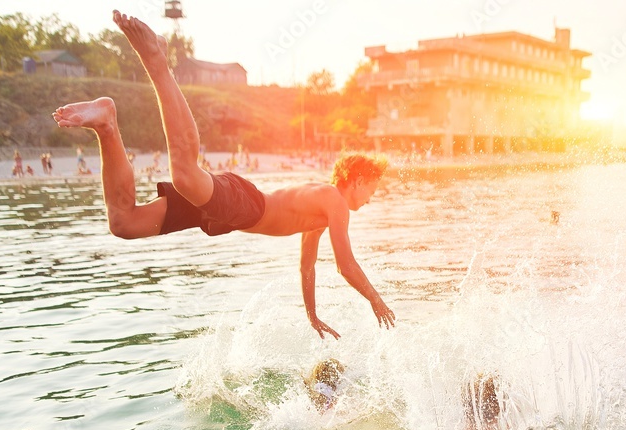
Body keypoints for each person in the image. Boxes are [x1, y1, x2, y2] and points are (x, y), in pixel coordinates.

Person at [52, 11, 394, 339]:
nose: (370, 200)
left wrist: (312, 315)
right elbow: (345, 265)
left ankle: (107, 125)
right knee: (185, 173)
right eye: (372, 191)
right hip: (245, 204)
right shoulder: (334, 200)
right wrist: (377, 301)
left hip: (228, 215)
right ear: (360, 179)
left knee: (124, 222)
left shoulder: (320, 211)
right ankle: (158, 63)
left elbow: (308, 268)